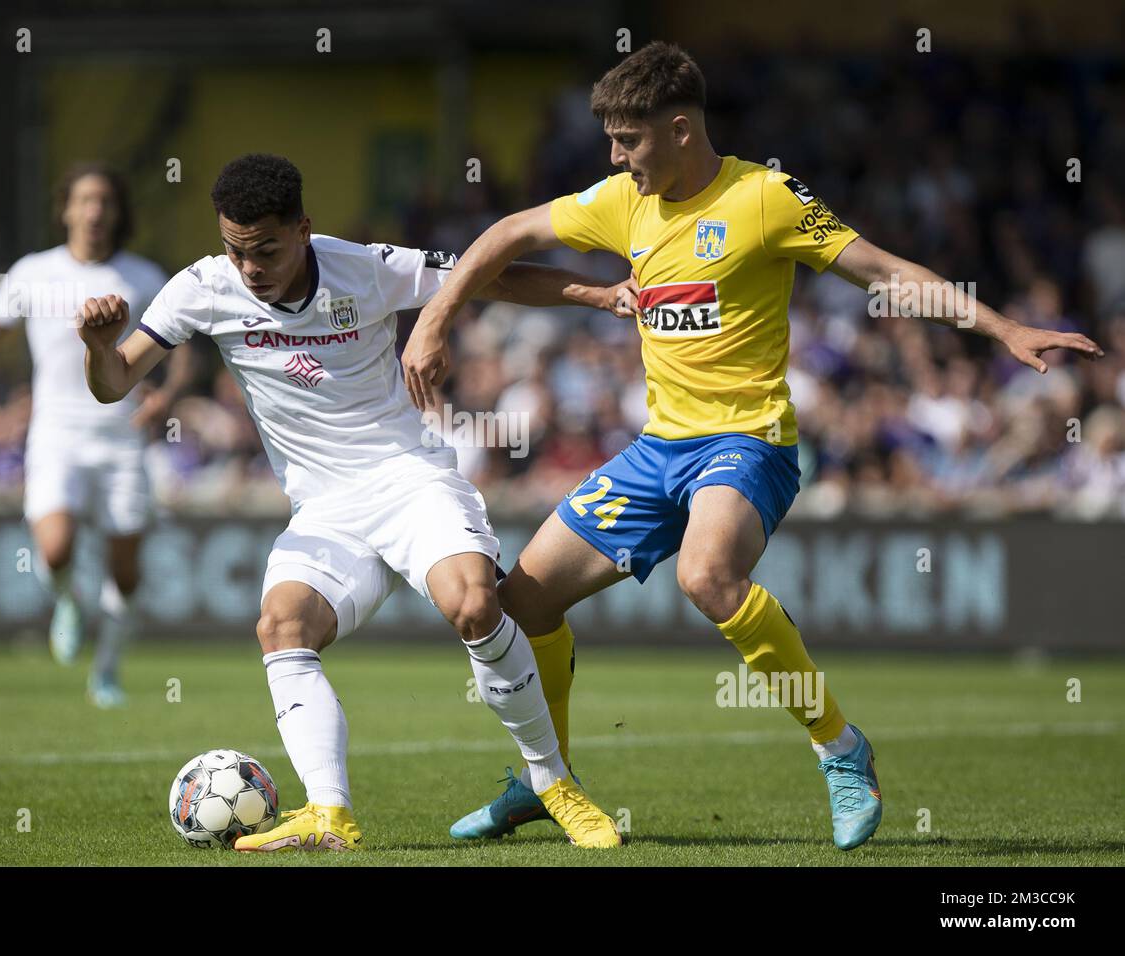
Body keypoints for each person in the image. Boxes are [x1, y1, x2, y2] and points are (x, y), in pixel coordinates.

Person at [401, 41, 1103, 850]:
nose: (615, 157)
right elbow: (507, 234)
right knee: (519, 608)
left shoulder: (765, 198)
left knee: (707, 576)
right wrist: (436, 318)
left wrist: (1002, 326)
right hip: (659, 449)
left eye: (628, 141)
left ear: (679, 129)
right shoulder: (623, 201)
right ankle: (544, 778)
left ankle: (841, 750)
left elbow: (881, 271)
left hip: (749, 440)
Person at [78, 153, 634, 852]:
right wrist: (99, 349)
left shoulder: (365, 266)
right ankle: (329, 814)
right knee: (281, 627)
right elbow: (114, 381)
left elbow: (488, 275)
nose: (249, 266)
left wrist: (598, 295)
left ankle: (553, 783)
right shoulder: (202, 288)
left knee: (473, 604)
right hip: (324, 509)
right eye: (235, 248)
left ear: (304, 229)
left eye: (267, 249)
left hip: (408, 478)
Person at [0, 163, 191, 708]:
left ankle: (107, 672)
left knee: (126, 569)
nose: (95, 211)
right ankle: (67, 599)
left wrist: (167, 394)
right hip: (56, 433)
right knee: (56, 544)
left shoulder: (141, 277)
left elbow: (182, 350)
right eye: (85, 200)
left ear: (117, 213)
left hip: (121, 438)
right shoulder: (32, 272)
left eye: (105, 202)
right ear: (65, 208)